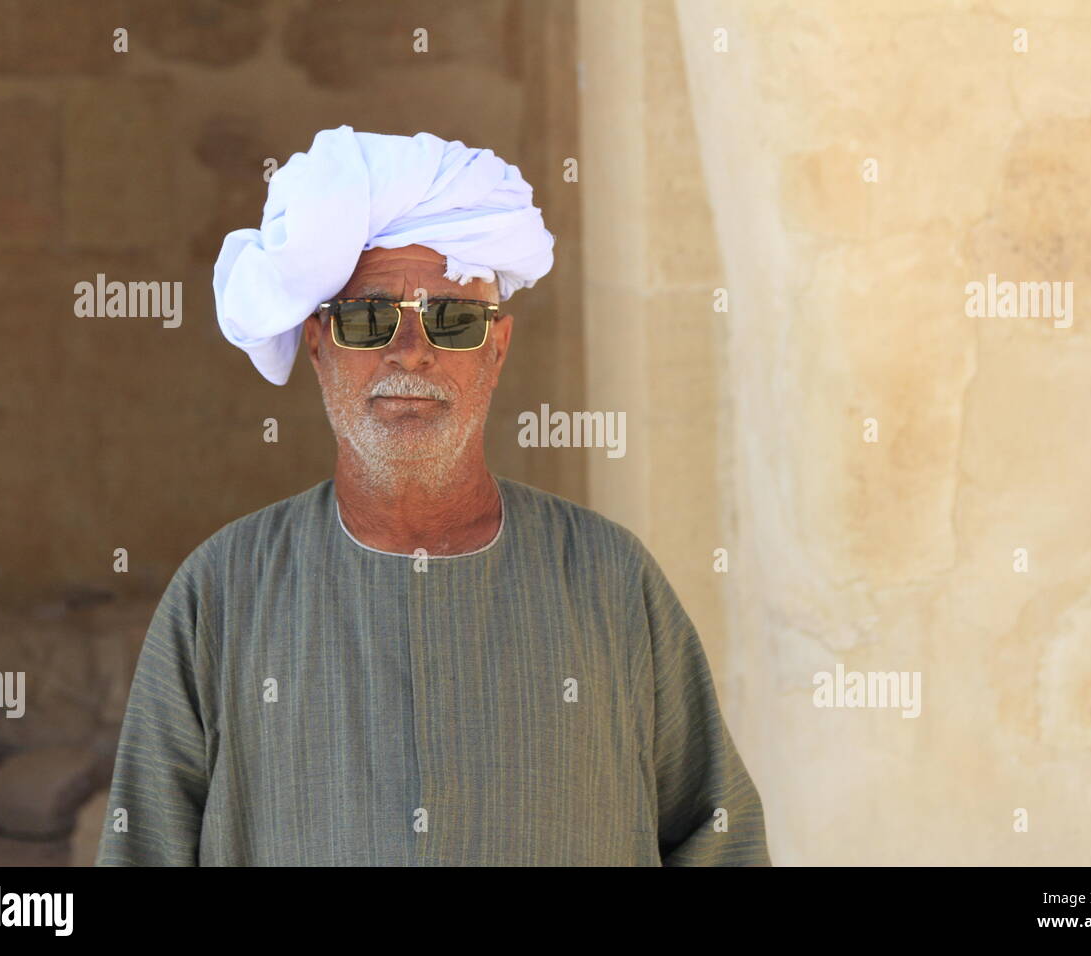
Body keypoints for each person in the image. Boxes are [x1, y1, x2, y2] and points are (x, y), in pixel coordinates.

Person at [95, 127, 770, 866]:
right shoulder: (221, 595)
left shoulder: (612, 583)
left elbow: (719, 836)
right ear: (319, 346)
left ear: (497, 347)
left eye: (452, 319)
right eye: (366, 317)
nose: (409, 350)